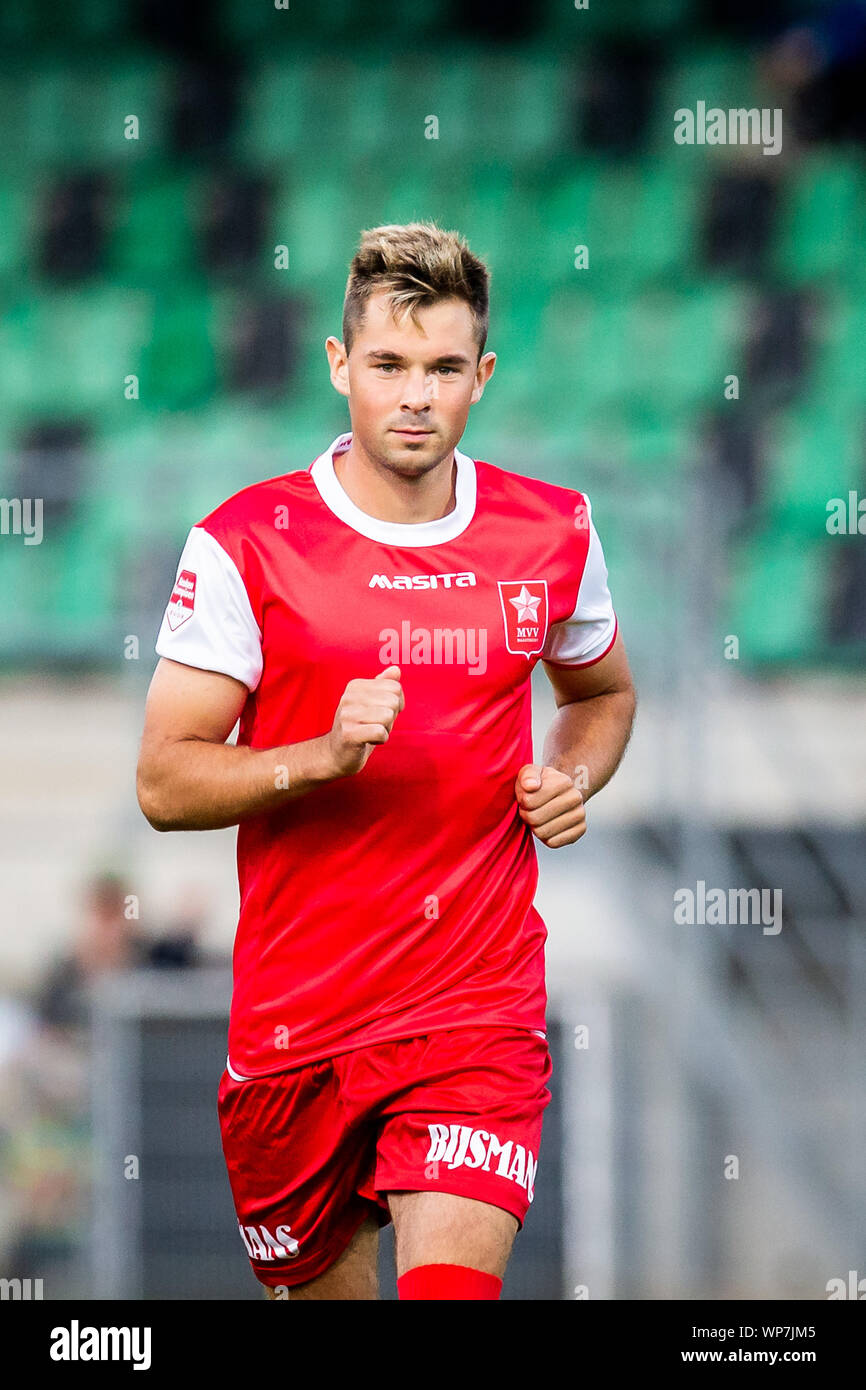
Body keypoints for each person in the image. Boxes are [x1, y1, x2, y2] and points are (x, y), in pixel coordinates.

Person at [136, 221, 636, 1300]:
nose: (416, 396)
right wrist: (317, 757)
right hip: (295, 1025)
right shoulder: (246, 542)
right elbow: (164, 781)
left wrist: (573, 775)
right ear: (339, 365)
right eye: (389, 366)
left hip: (475, 1005)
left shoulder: (549, 533)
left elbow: (599, 694)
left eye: (444, 368)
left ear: (482, 375)